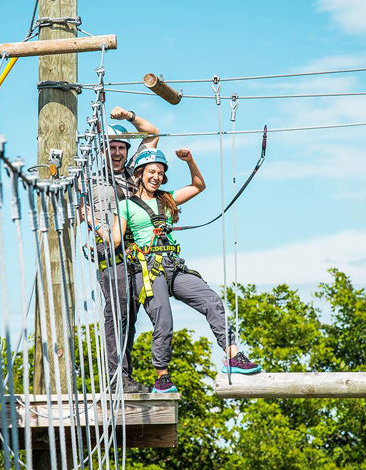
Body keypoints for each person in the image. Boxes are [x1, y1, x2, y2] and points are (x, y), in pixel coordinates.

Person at [102, 147, 261, 394]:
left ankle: (233, 356)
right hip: (148, 269)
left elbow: (198, 185)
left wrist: (190, 161)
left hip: (173, 267)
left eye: (161, 173)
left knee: (212, 300)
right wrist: (95, 226)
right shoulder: (125, 206)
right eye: (152, 171)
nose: (156, 176)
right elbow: (114, 239)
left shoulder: (167, 199)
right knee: (163, 318)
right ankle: (162, 376)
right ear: (141, 173)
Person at [86, 106, 159, 393]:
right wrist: (97, 226)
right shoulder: (89, 181)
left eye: (121, 148)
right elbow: (82, 211)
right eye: (111, 148)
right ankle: (115, 378)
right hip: (111, 255)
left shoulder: (135, 176)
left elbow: (152, 134)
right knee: (117, 314)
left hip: (137, 257)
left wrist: (129, 116)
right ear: (102, 151)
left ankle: (122, 376)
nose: (116, 153)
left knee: (130, 317)